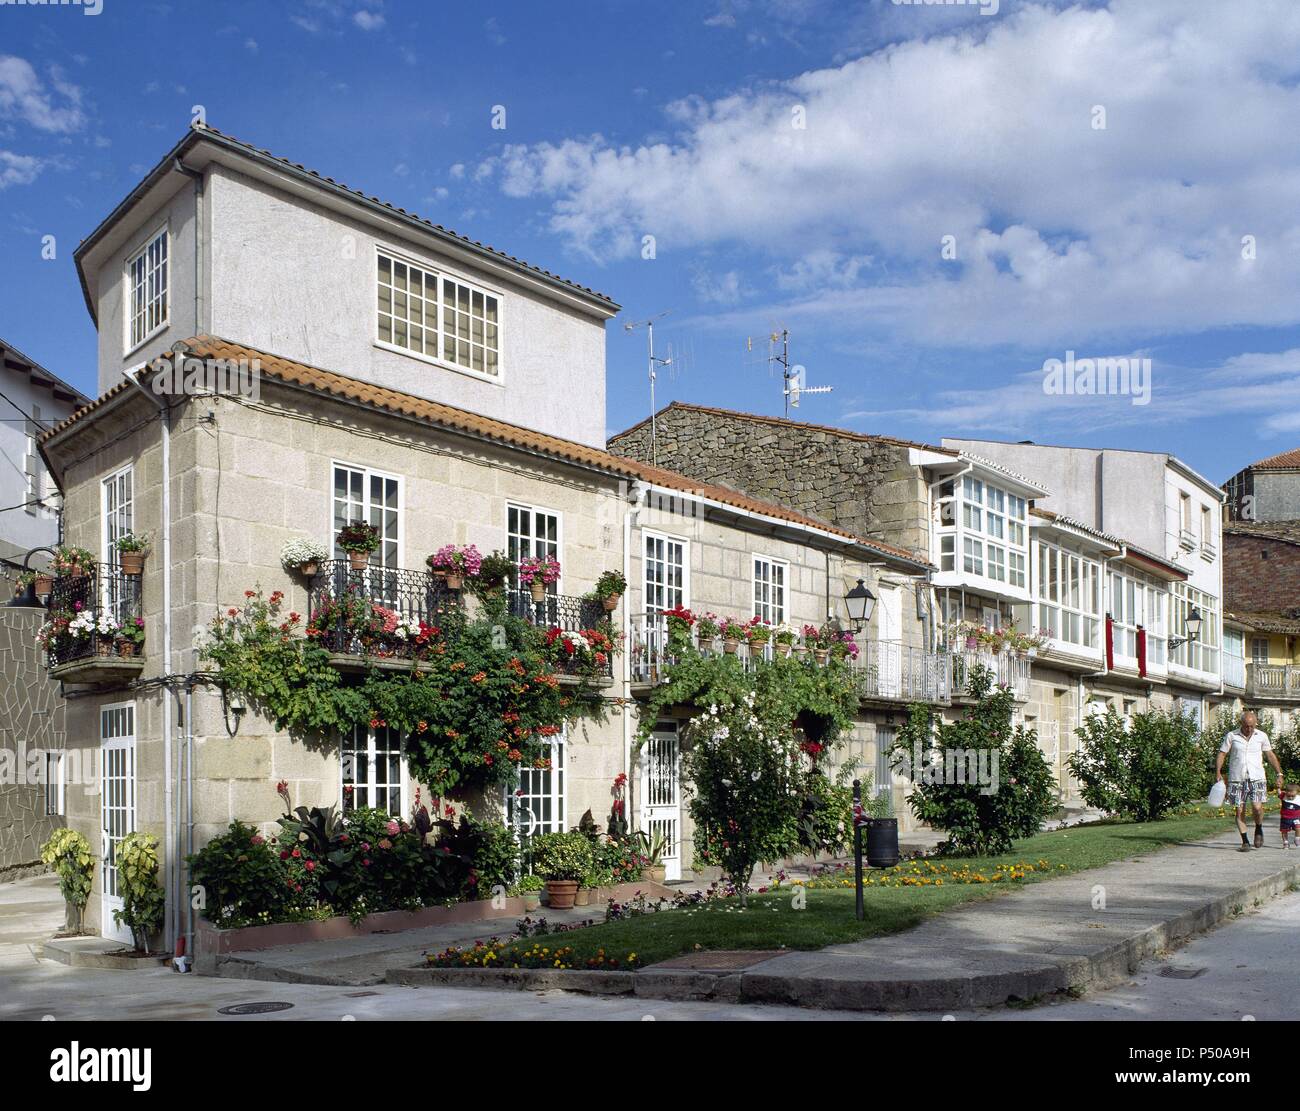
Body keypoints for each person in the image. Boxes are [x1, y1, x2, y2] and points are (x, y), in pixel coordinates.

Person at [1215, 710, 1284, 851]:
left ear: (1255, 724)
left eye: (1252, 726)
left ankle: (1259, 828)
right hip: (1237, 778)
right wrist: (1218, 772)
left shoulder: (1261, 736)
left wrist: (1279, 773)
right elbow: (1222, 754)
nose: (1249, 729)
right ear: (1241, 724)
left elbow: (1270, 755)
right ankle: (1245, 841)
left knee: (1257, 808)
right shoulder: (1232, 736)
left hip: (1257, 777)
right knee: (1240, 810)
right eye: (1247, 726)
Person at [1281, 783, 1300, 850]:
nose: (1290, 797)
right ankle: (1285, 843)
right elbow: (1279, 792)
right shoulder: (1283, 796)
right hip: (1285, 818)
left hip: (1296, 818)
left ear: (1297, 793)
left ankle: (1297, 838)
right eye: (1289, 796)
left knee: (1298, 827)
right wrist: (1278, 786)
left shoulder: (1299, 799)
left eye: (1293, 796)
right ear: (1286, 792)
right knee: (1284, 831)